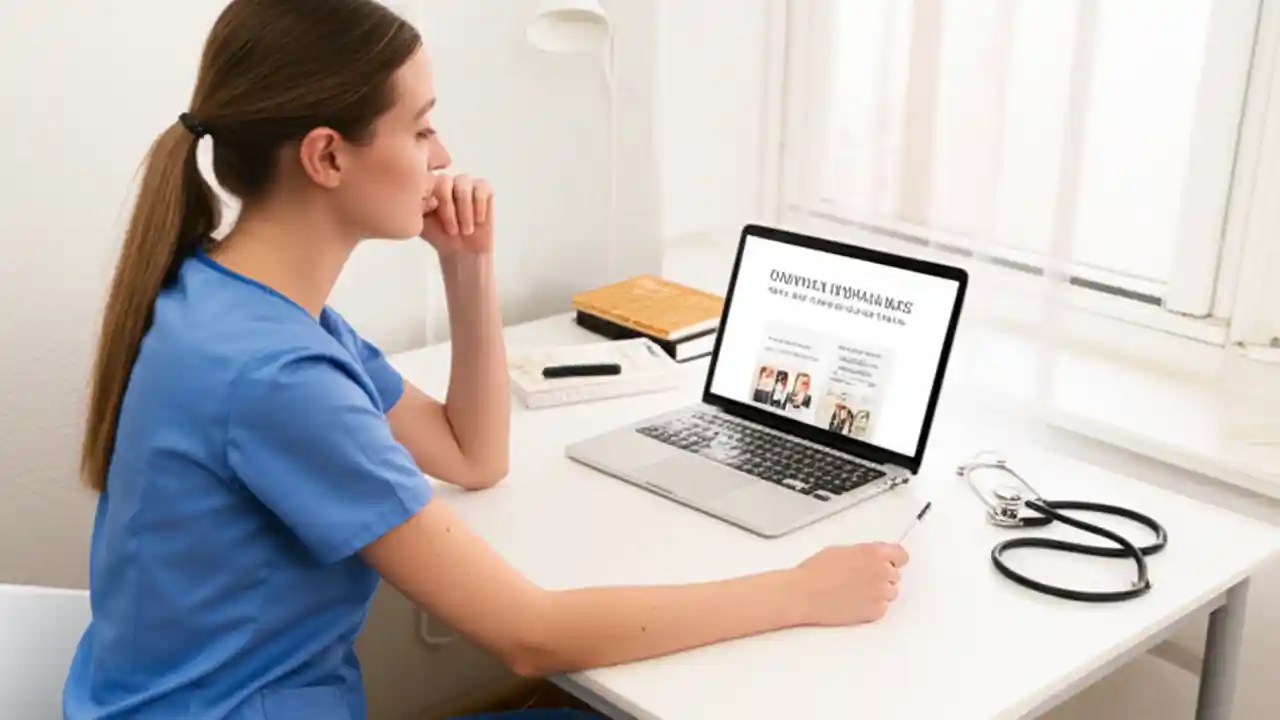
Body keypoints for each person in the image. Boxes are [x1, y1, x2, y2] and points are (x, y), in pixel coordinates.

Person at [64, 2, 909, 718]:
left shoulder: (236, 298)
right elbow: (528, 635)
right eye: (421, 125)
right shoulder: (276, 375)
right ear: (326, 156)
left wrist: (466, 268)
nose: (441, 155)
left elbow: (474, 455)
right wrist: (799, 592)